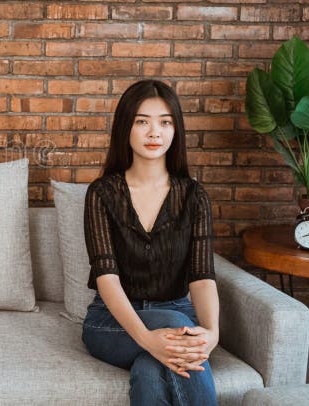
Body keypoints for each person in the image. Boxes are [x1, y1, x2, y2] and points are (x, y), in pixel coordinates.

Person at [81, 80, 219, 405]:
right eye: (142, 121)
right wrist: (146, 338)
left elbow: (202, 277)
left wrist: (212, 334)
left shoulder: (194, 197)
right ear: (125, 128)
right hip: (110, 322)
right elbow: (107, 279)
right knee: (175, 330)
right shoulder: (102, 194)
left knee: (149, 370)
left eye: (165, 122)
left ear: (176, 130)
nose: (154, 132)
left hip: (176, 309)